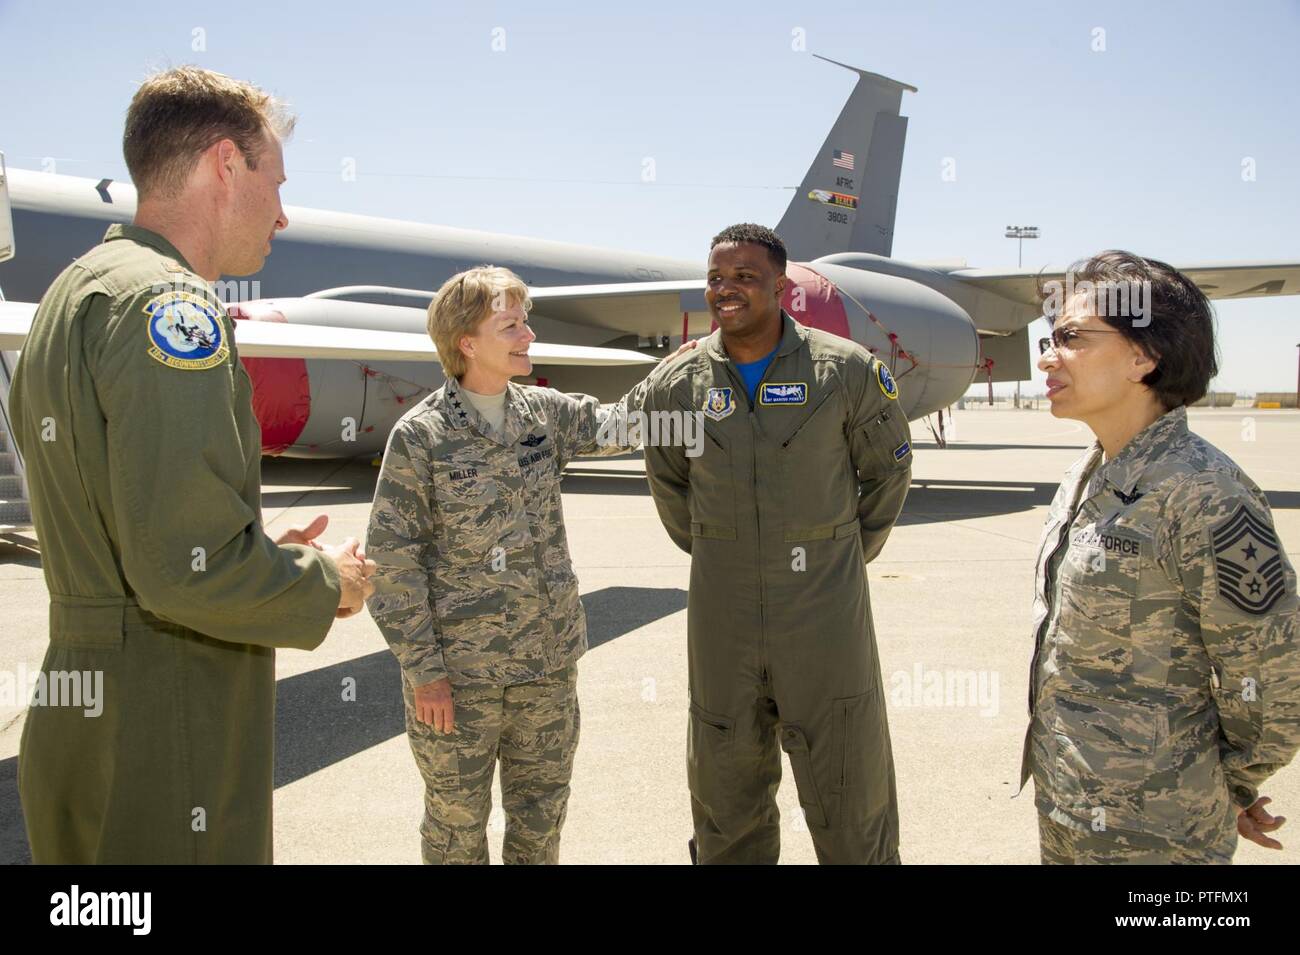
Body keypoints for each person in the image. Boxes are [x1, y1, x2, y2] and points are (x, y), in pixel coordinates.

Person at [9, 66, 375, 864]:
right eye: (274, 182)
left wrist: (250, 541)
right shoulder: (172, 309)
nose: (281, 213)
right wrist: (327, 580)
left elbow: (130, 521)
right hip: (164, 737)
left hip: (86, 715)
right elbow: (182, 574)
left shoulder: (74, 294)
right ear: (224, 165)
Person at [365, 265, 691, 864]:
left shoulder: (544, 413)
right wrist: (424, 672)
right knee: (457, 830)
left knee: (541, 820)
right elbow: (392, 562)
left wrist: (681, 369)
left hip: (546, 663)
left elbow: (625, 425)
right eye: (510, 325)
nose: (528, 336)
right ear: (467, 343)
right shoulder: (422, 436)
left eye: (525, 322)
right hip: (459, 678)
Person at [635, 223, 913, 864]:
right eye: (715, 278)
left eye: (744, 277)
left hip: (824, 617)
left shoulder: (844, 371)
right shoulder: (678, 384)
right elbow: (670, 484)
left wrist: (838, 552)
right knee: (723, 782)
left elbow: (888, 471)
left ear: (782, 287)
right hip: (722, 617)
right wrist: (723, 551)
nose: (725, 290)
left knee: (850, 783)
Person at [1022, 250, 1300, 864]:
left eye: (1070, 337)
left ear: (1144, 356)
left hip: (1157, 833)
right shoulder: (1086, 476)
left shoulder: (1207, 494)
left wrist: (1226, 783)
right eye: (1048, 338)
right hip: (1072, 810)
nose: (1046, 357)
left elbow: (1273, 678)